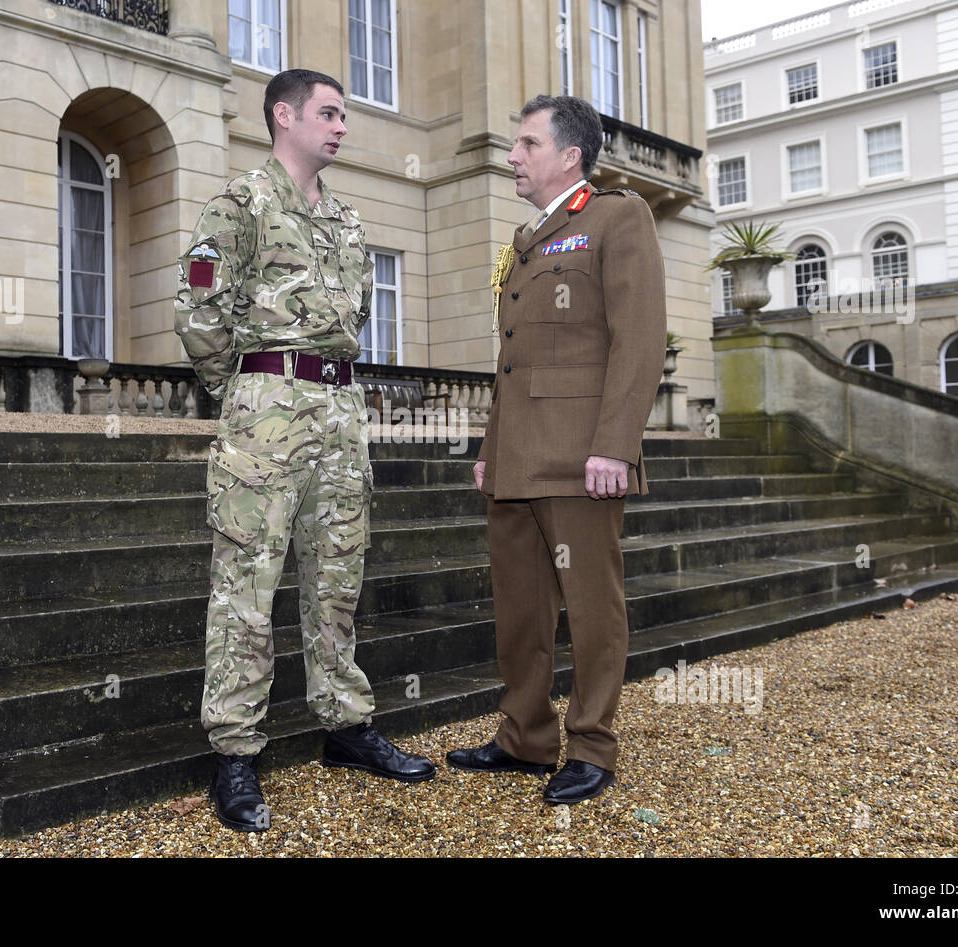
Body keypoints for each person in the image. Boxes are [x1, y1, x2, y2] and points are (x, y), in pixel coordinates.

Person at [174, 68, 435, 833]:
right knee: (247, 583)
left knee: (337, 574)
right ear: (283, 116)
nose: (342, 125)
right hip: (268, 410)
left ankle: (346, 724)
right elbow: (198, 307)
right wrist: (248, 389)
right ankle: (234, 751)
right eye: (328, 112)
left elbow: (349, 316)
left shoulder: (348, 221)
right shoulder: (240, 202)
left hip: (341, 410)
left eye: (345, 114)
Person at [448, 95, 667, 804]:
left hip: (581, 459)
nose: (512, 155)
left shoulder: (615, 216)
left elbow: (638, 339)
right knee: (520, 608)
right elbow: (515, 359)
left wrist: (615, 445)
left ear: (569, 155)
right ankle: (526, 737)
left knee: (591, 604)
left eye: (525, 143)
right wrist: (491, 444)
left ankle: (593, 747)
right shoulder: (527, 240)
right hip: (517, 459)